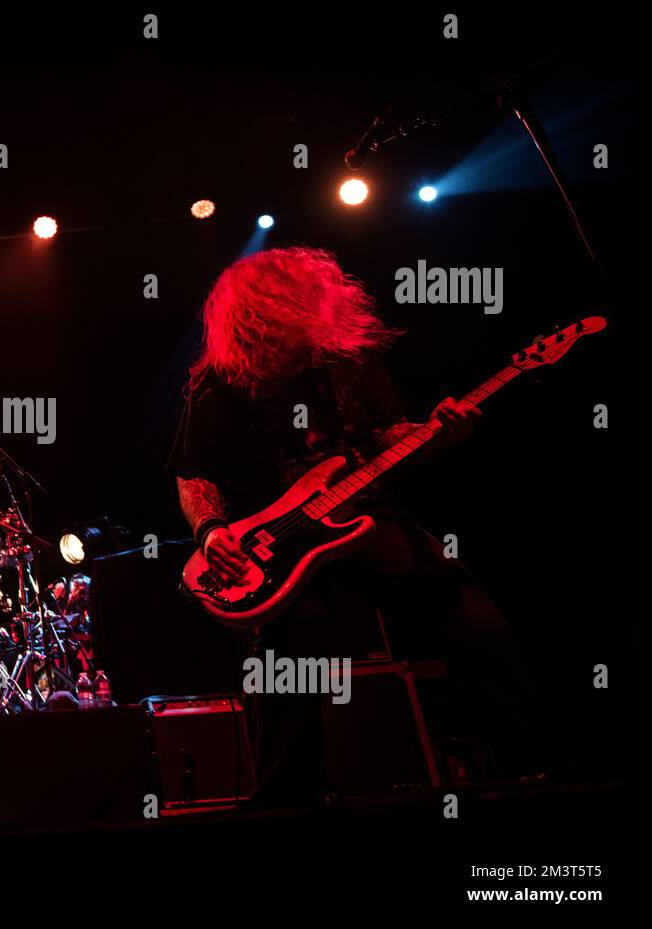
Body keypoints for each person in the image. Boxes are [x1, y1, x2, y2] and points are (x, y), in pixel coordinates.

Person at [170, 246, 539, 805]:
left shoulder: (348, 359)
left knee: (476, 624)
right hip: (278, 544)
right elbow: (194, 471)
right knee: (290, 653)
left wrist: (437, 435)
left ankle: (534, 769)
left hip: (368, 517)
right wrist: (212, 532)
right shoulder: (220, 381)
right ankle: (287, 800)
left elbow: (388, 435)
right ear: (265, 311)